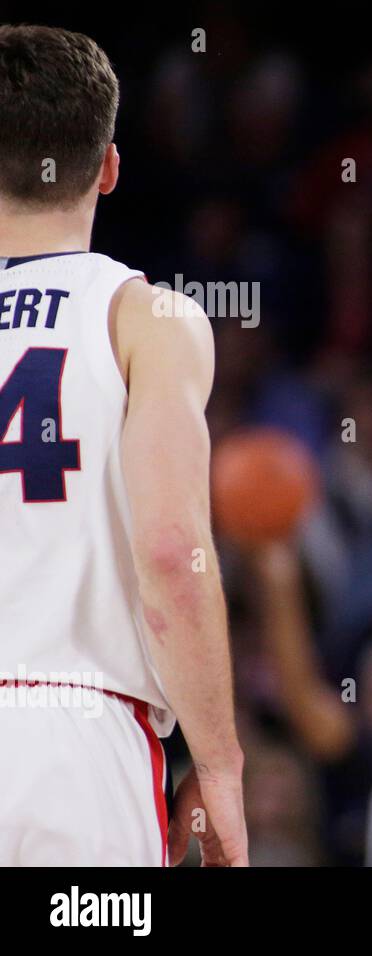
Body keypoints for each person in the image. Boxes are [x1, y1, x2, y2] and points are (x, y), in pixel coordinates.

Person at [0, 25, 246, 866]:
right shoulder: (148, 319)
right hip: (75, 744)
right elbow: (172, 550)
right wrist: (219, 763)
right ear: (108, 167)